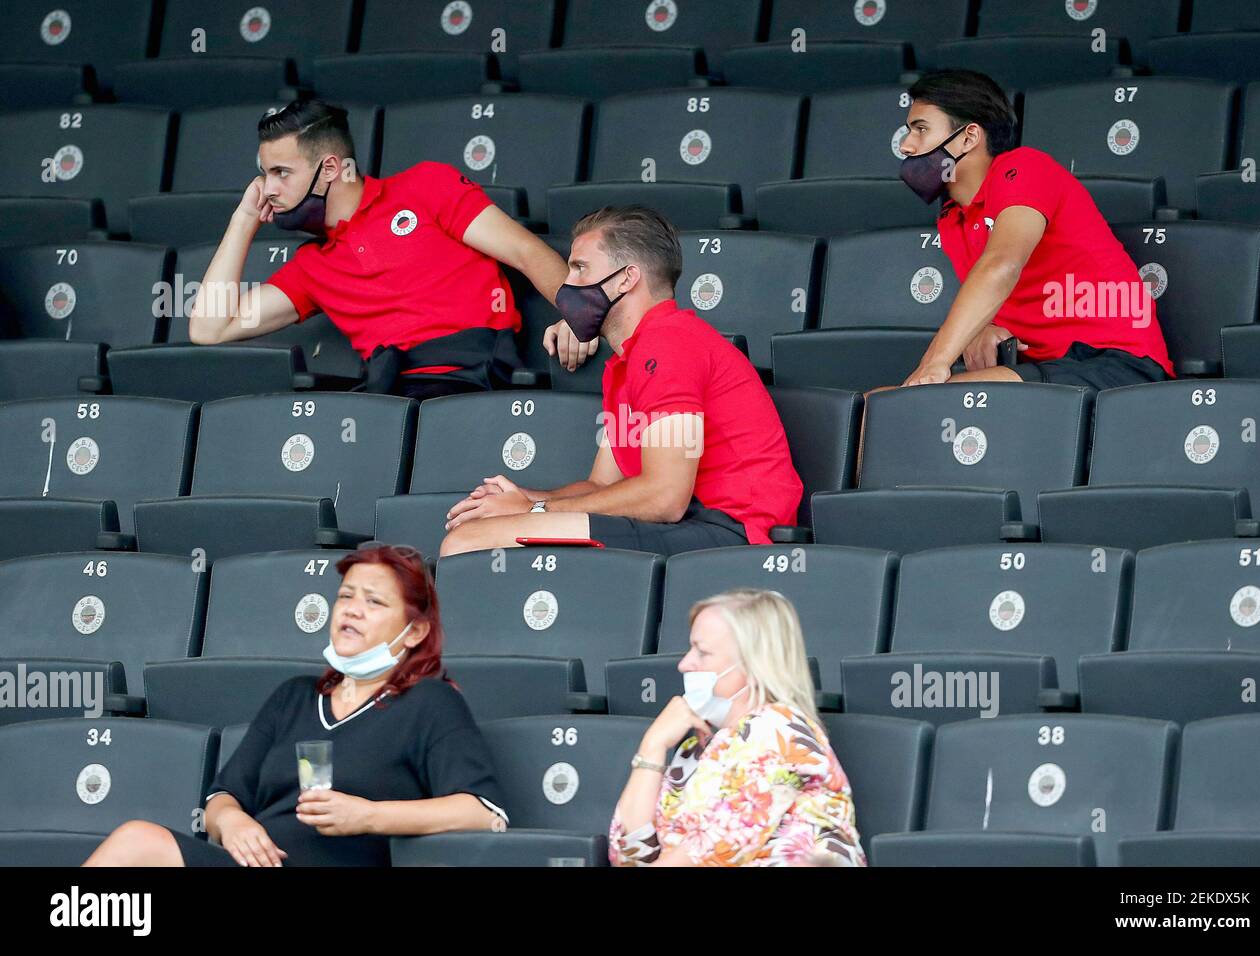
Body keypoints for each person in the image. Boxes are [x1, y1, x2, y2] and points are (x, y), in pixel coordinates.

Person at [82, 544, 507, 867]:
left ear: (414, 632)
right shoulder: (295, 697)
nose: (352, 610)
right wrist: (233, 823)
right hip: (251, 863)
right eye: (346, 597)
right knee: (137, 846)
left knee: (138, 845)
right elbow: (222, 797)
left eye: (373, 602)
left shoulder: (430, 702)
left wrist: (368, 816)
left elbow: (483, 813)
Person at [439, 205, 804, 557]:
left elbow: (665, 497)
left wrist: (535, 511)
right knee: (477, 529)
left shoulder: (669, 344)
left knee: (469, 541)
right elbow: (602, 486)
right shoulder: (627, 362)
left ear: (627, 278)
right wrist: (521, 499)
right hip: (687, 526)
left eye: (580, 268)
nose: (567, 284)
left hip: (731, 531)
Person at [186, 98, 598, 400]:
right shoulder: (312, 266)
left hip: (471, 385)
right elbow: (210, 328)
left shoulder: (424, 186)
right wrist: (243, 219)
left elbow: (526, 251)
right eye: (263, 175)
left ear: (330, 168)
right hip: (387, 402)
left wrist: (578, 314)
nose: (267, 189)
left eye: (281, 173)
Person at [889, 70, 1173, 391]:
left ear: (968, 138)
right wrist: (986, 325)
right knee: (879, 406)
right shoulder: (952, 217)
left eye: (920, 129)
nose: (906, 145)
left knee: (907, 404)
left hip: (1115, 362)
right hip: (1046, 367)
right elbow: (1004, 292)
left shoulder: (1025, 167)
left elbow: (1002, 265)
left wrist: (933, 363)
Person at [609, 589, 866, 866]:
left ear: (754, 667)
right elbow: (628, 856)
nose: (684, 664)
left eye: (703, 652)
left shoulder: (778, 731)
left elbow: (711, 856)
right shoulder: (697, 746)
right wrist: (653, 744)